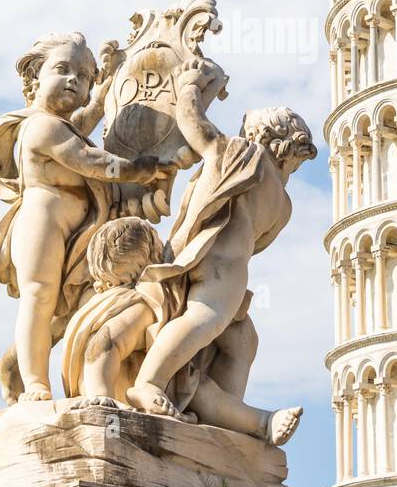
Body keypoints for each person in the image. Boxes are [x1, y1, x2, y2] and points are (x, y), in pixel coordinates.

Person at [0, 32, 173, 403]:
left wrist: (107, 85)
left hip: (80, 232)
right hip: (43, 221)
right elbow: (91, 161)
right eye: (63, 70)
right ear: (34, 79)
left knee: (66, 313)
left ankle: (13, 362)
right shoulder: (41, 126)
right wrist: (138, 170)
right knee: (39, 295)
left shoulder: (66, 125)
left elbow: (87, 117)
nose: (74, 80)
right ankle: (36, 382)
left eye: (83, 75)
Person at [125, 58, 316, 436]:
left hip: (203, 254)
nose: (294, 169)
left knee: (241, 339)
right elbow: (203, 137)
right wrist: (188, 89)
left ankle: (223, 413)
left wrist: (191, 91)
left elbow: (204, 139)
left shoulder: (270, 186)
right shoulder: (257, 164)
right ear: (284, 148)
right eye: (295, 160)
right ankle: (149, 382)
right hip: (224, 267)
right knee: (204, 319)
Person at [62, 216, 301, 444]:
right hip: (121, 392)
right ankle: (262, 422)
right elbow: (104, 344)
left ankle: (263, 423)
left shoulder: (142, 302)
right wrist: (102, 397)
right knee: (204, 391)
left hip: (154, 386)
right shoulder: (139, 304)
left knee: (200, 386)